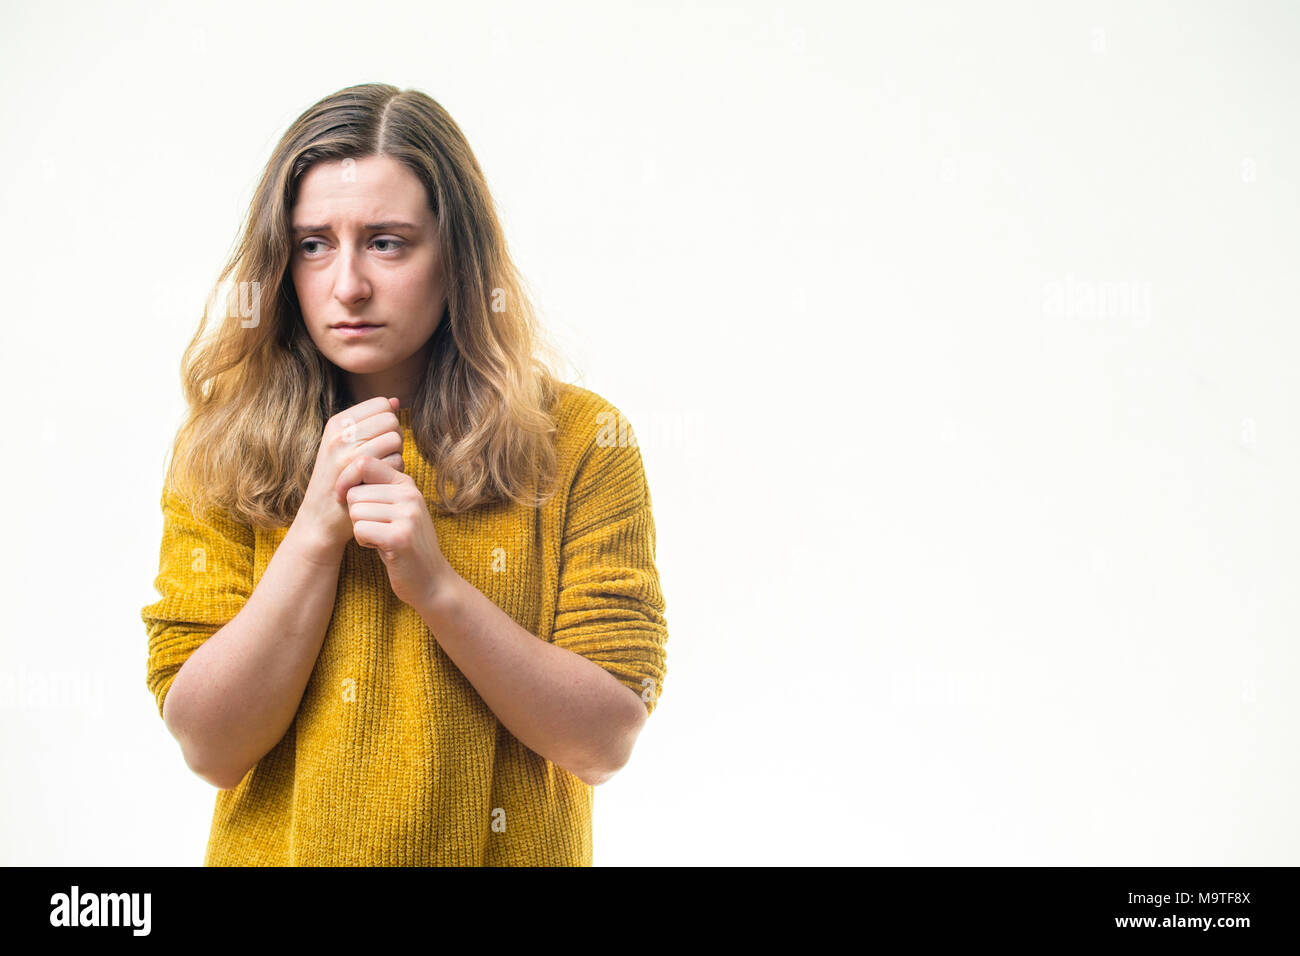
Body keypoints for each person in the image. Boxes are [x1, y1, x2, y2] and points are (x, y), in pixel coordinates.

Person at [140, 83, 668, 866]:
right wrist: (315, 536)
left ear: (457, 256)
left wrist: (438, 588)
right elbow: (210, 746)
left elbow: (603, 742)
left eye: (386, 242)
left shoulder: (585, 441)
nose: (346, 284)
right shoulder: (224, 444)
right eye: (314, 243)